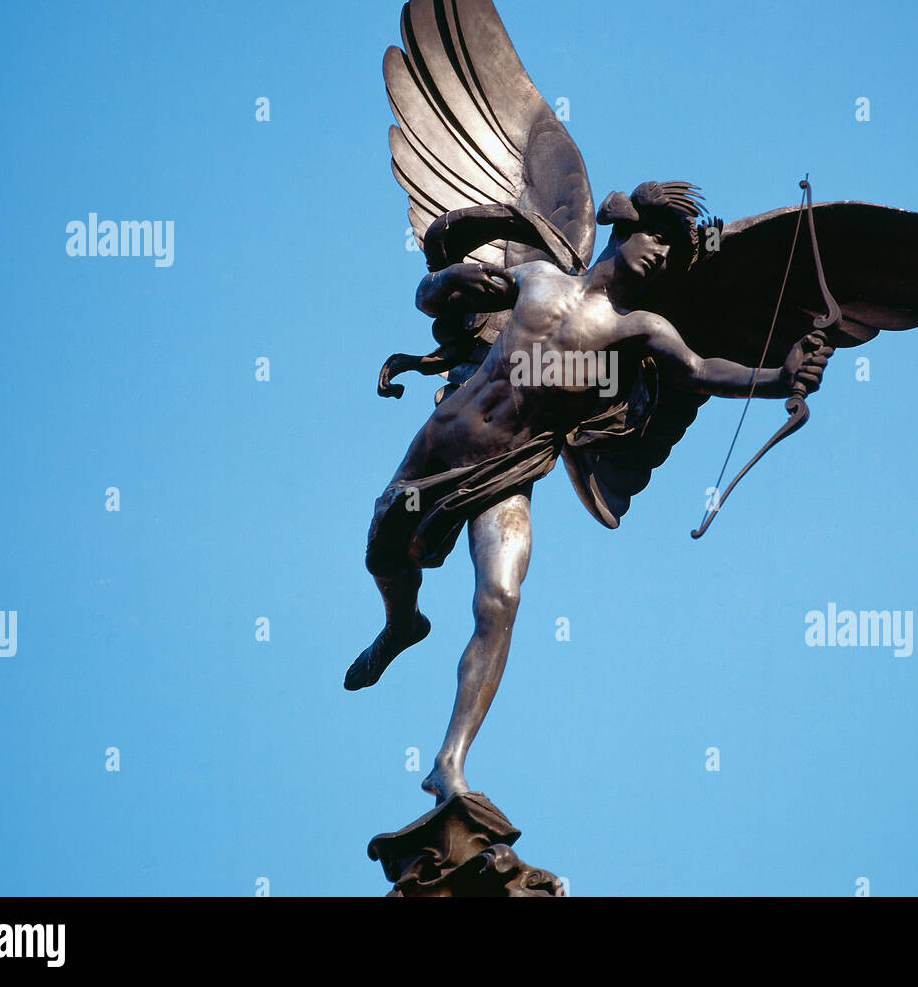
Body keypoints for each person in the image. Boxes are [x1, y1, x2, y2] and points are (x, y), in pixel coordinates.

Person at [346, 183, 832, 803]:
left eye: (674, 248)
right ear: (623, 225)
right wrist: (447, 283)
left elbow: (702, 370)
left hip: (509, 470)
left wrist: (780, 378)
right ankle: (401, 625)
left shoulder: (642, 328)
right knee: (385, 554)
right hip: (442, 443)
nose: (661, 253)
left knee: (499, 599)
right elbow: (432, 294)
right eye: (656, 235)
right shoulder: (535, 278)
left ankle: (450, 760)